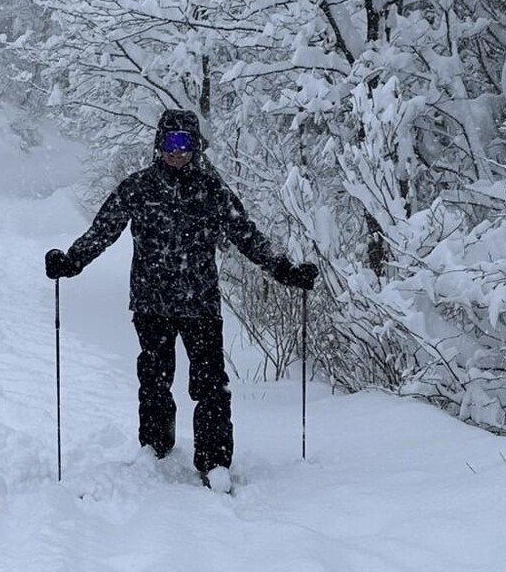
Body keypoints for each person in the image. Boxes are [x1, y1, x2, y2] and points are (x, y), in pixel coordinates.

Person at [44, 109, 317, 487]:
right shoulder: (137, 188)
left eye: (186, 143)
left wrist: (285, 270)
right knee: (154, 379)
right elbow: (103, 231)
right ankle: (155, 447)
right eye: (171, 143)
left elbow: (248, 237)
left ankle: (214, 462)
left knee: (210, 384)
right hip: (151, 303)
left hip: (200, 305)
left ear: (196, 148)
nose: (178, 151)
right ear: (159, 145)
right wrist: (71, 262)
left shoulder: (212, 191)